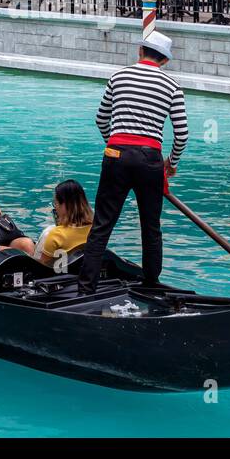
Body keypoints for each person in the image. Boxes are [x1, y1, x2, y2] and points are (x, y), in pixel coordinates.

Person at [77, 31, 188, 295]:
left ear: (140, 51)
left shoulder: (118, 77)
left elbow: (101, 119)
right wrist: (170, 164)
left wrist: (114, 144)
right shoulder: (172, 85)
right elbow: (182, 134)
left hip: (116, 154)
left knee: (103, 223)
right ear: (165, 61)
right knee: (151, 226)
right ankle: (150, 284)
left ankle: (86, 287)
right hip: (150, 159)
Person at [34, 180, 94, 272]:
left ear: (65, 205)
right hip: (85, 273)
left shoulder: (55, 234)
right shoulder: (95, 229)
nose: (55, 208)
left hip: (60, 278)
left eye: (56, 203)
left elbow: (41, 267)